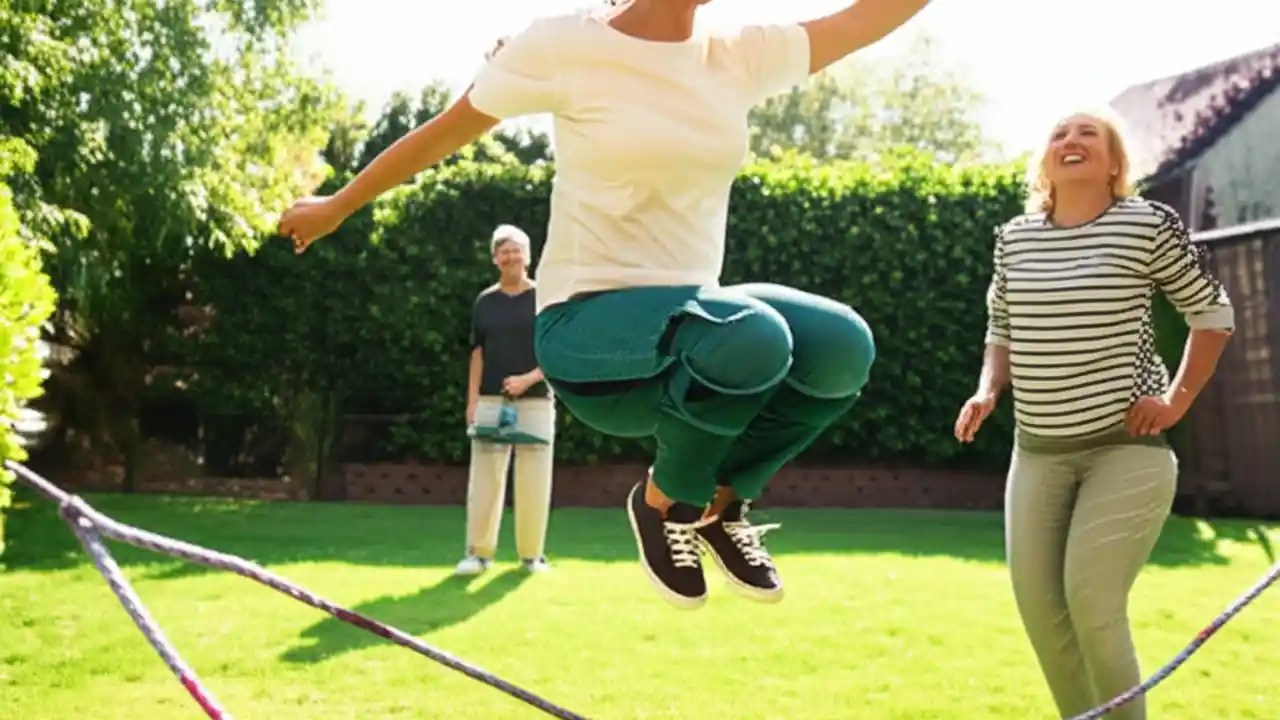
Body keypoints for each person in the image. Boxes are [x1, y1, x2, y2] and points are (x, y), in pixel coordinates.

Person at [278, 0, 932, 610]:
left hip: (693, 338)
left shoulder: (739, 54)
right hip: (586, 334)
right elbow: (446, 131)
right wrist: (337, 207)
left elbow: (865, 17)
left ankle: (722, 509)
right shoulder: (567, 44)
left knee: (844, 345)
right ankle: (662, 503)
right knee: (752, 333)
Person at [953, 109, 1235, 720]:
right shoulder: (1014, 238)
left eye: (1089, 134)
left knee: (1091, 601)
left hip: (1124, 451)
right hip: (1037, 454)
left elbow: (1212, 314)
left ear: (1113, 164)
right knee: (1041, 615)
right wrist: (987, 390)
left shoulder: (1146, 225)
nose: (1070, 140)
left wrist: (1176, 400)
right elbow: (1000, 328)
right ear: (1045, 164)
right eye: (1058, 133)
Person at [457, 223, 556, 576]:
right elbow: (477, 352)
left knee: (534, 479)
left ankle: (532, 556)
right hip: (490, 401)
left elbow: (554, 351)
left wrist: (528, 379)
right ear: (495, 258)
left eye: (516, 250)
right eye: (504, 251)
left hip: (536, 401)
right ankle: (477, 554)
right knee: (484, 479)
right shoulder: (485, 302)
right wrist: (472, 401)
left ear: (528, 256)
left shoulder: (545, 298)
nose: (511, 256)